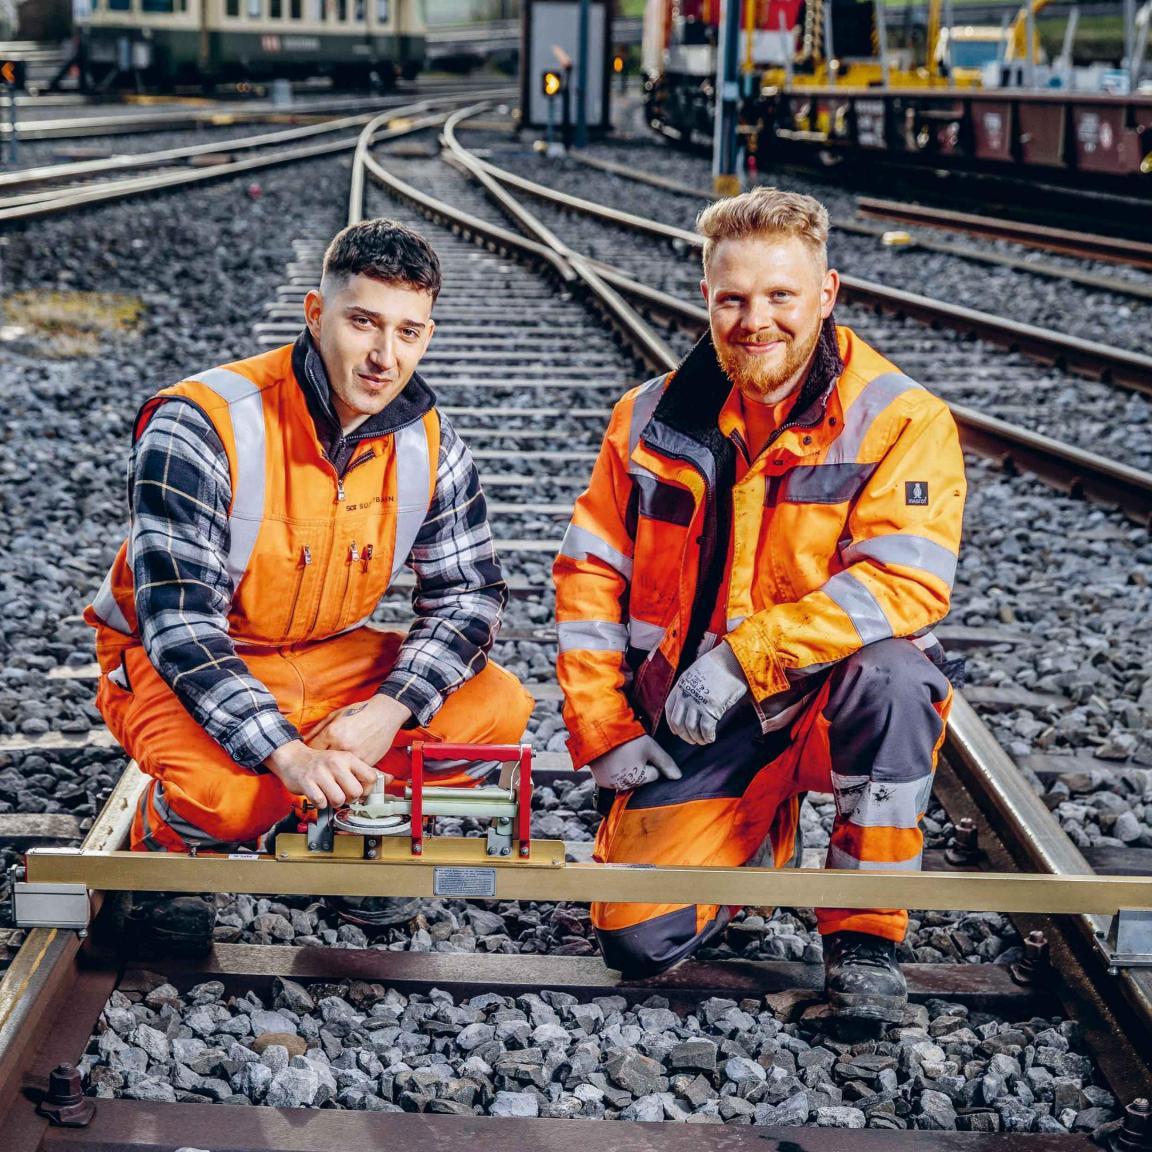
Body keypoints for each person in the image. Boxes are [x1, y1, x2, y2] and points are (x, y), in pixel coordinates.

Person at [553, 187, 966, 1023]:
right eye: (733, 298)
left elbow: (907, 580)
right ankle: (754, 832)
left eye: (781, 296)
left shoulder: (900, 420)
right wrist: (604, 730)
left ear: (827, 294)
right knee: (636, 939)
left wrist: (748, 657)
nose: (756, 321)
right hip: (703, 718)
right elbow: (590, 577)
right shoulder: (646, 419)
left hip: (821, 705)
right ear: (706, 298)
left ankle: (863, 939)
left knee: (896, 679)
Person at [87, 218, 534, 952]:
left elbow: (468, 596)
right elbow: (181, 627)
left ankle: (328, 818)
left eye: (410, 332)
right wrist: (288, 755)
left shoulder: (429, 442)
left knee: (498, 710)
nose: (386, 357)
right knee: (231, 801)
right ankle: (164, 846)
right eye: (363, 322)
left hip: (325, 654)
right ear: (315, 313)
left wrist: (388, 711)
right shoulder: (203, 424)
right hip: (180, 661)